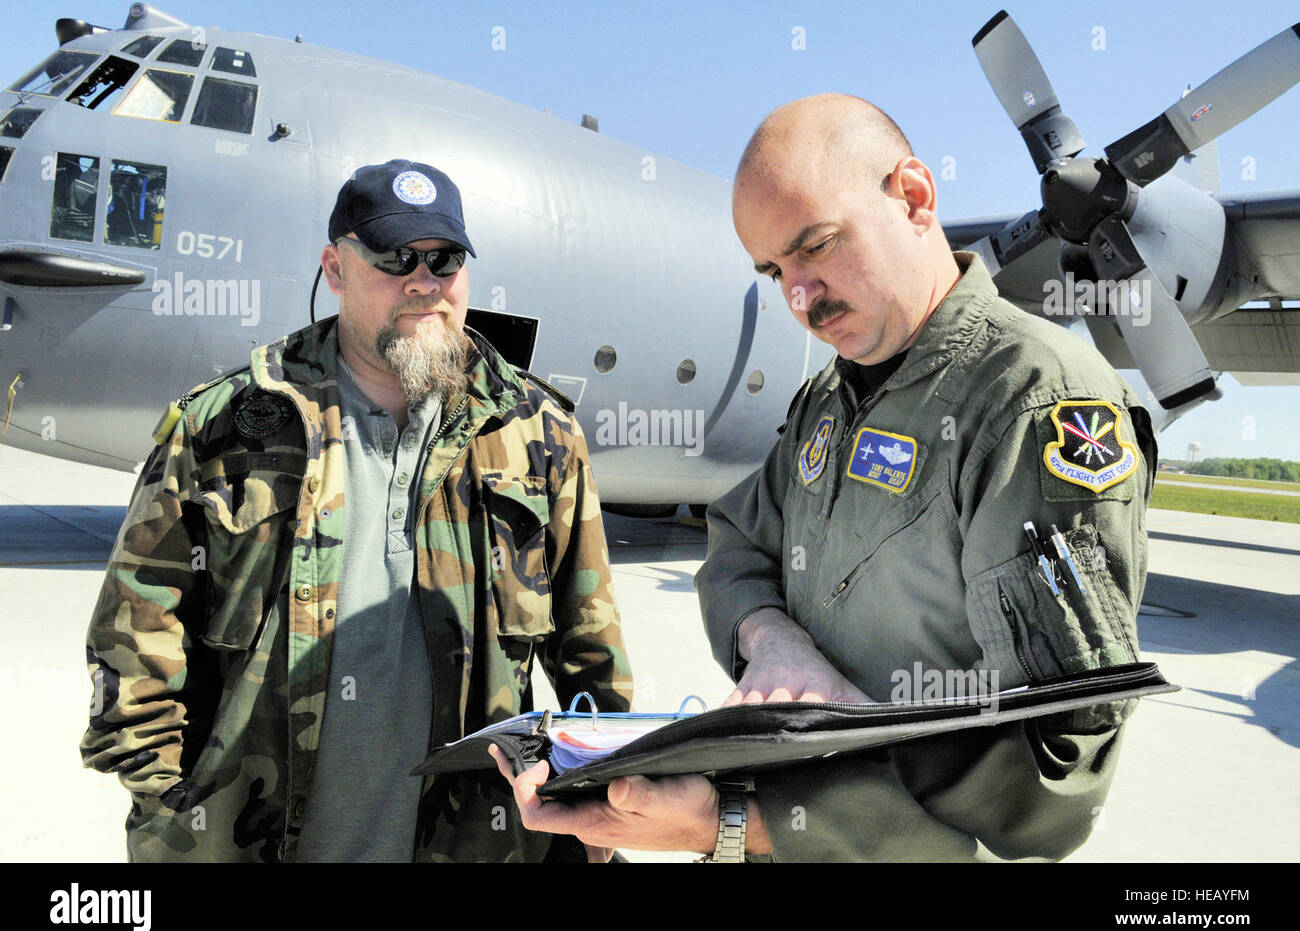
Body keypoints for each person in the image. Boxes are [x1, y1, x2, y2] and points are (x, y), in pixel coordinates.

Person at [493, 95, 1156, 862]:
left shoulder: (1033, 399)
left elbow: (1049, 785)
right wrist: (774, 643)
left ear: (913, 196)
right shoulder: (828, 400)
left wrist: (743, 817)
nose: (799, 298)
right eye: (775, 270)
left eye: (817, 246)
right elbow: (737, 545)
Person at [82, 159, 632, 862]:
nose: (424, 282)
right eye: (394, 257)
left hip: (474, 841)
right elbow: (136, 618)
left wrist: (607, 800)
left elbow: (592, 649)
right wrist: (166, 800)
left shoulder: (537, 432)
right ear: (334, 269)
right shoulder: (227, 424)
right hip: (257, 839)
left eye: (445, 259)